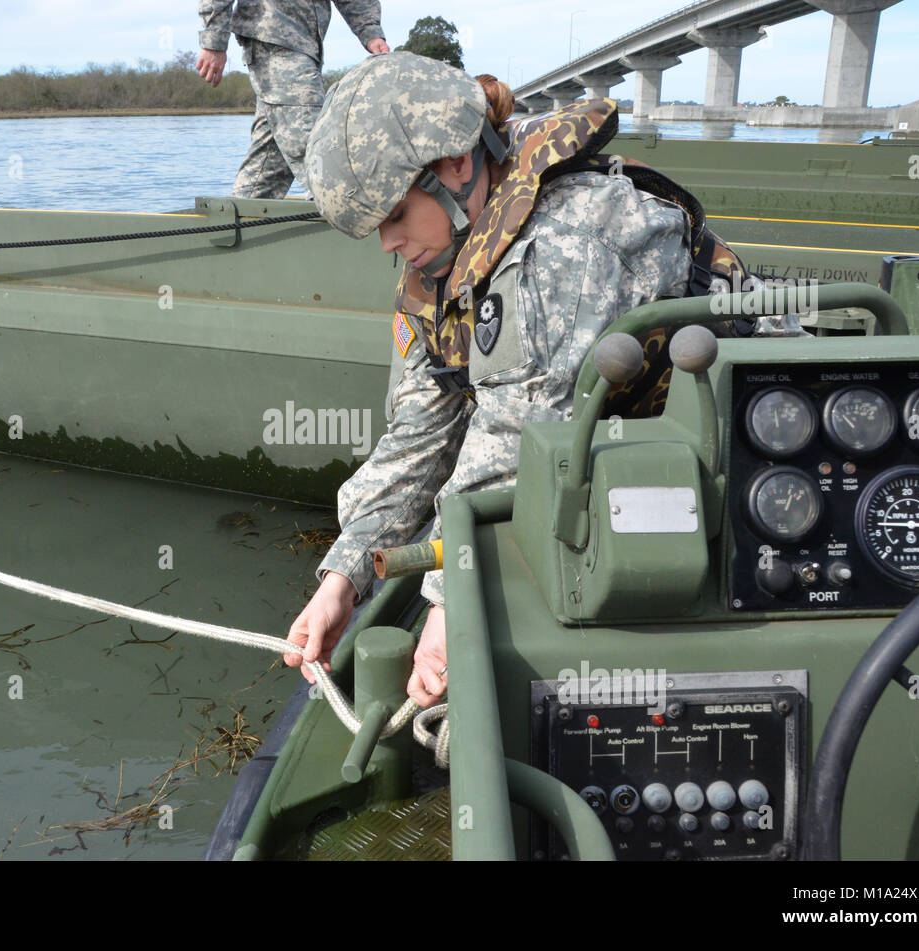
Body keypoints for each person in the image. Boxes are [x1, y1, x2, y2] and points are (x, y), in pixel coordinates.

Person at [283, 52, 701, 707]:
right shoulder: (447, 254)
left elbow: (519, 435)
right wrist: (347, 568)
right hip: (605, 452)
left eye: (395, 214)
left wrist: (448, 605)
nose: (390, 243)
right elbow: (422, 429)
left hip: (712, 459)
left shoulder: (568, 238)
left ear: (454, 165)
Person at [196, 0, 390, 199]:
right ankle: (358, 213)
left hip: (305, 45)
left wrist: (370, 30)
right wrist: (213, 42)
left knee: (269, 162)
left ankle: (241, 221)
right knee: (319, 146)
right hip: (272, 36)